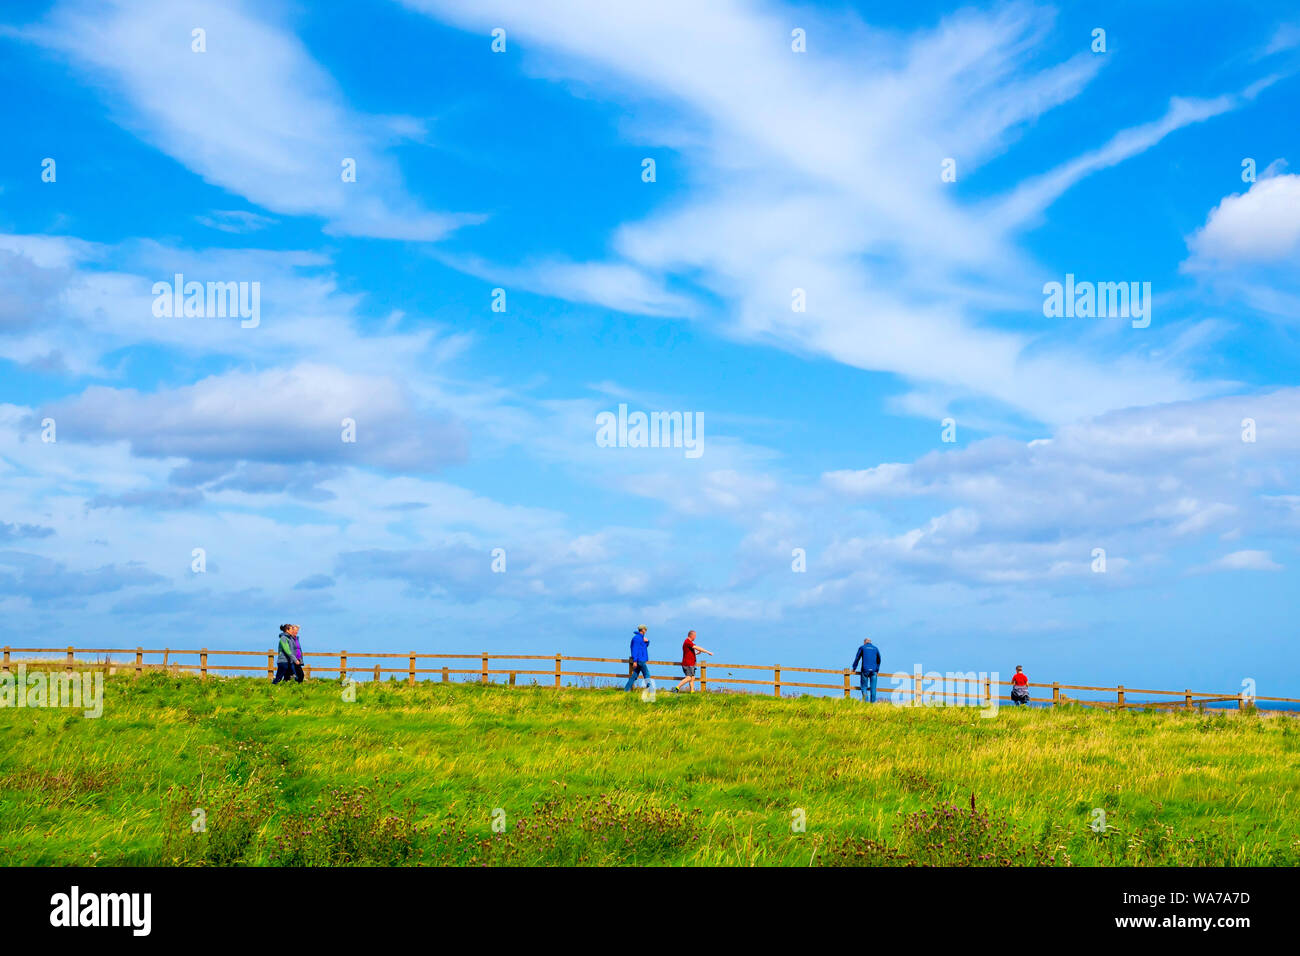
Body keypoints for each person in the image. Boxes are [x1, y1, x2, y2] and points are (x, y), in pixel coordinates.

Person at [851, 637, 881, 703]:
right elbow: (879, 659)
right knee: (873, 688)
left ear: (864, 642)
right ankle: (872, 703)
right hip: (874, 671)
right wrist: (877, 669)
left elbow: (857, 658)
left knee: (864, 687)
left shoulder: (862, 647)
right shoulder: (875, 648)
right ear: (870, 642)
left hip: (865, 670)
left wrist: (854, 668)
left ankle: (866, 702)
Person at [624, 626, 651, 691]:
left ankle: (626, 690)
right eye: (645, 630)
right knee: (646, 673)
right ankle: (649, 686)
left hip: (641, 659)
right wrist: (635, 661)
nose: (646, 631)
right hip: (640, 660)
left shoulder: (641, 638)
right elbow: (634, 650)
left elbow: (644, 647)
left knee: (634, 676)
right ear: (642, 630)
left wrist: (647, 642)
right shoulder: (636, 638)